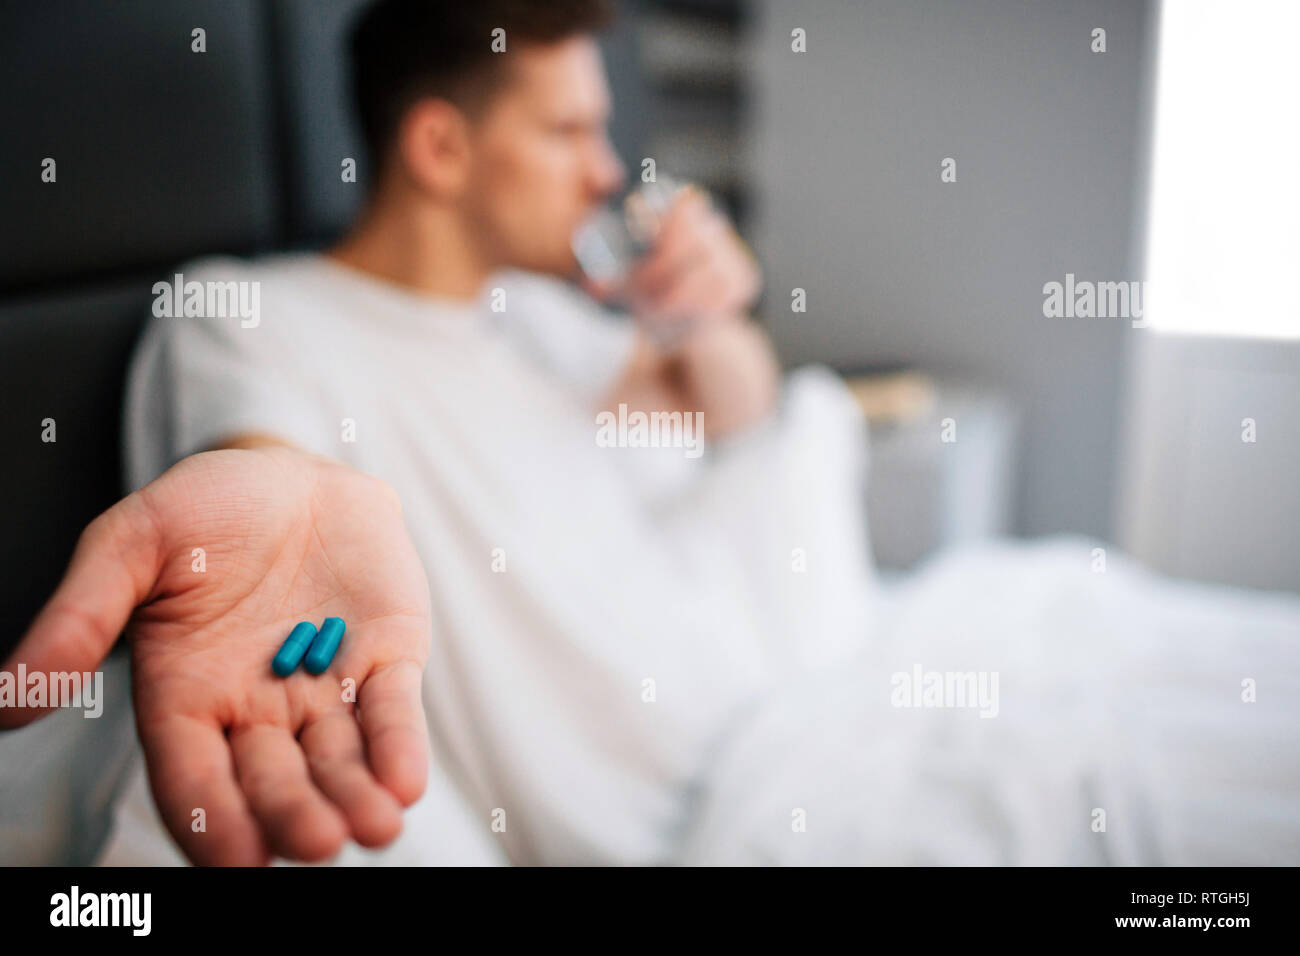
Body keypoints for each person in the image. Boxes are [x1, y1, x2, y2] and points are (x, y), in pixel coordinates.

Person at [2, 0, 877, 865]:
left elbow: (737, 415)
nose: (608, 174)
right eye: (569, 132)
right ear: (440, 148)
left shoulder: (533, 317)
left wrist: (701, 313)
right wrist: (269, 499)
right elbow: (265, 449)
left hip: (760, 728)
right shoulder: (256, 315)